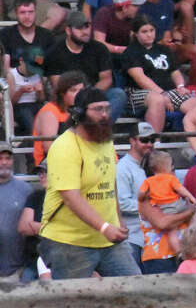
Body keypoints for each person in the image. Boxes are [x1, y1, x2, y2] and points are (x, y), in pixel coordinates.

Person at [38, 86, 139, 279]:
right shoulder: (64, 146)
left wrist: (118, 221)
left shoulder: (105, 141)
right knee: (73, 302)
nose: (104, 115)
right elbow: (70, 197)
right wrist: (104, 227)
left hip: (108, 240)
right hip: (69, 242)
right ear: (80, 113)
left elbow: (110, 183)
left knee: (135, 289)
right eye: (98, 109)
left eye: (107, 109)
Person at [123, 15, 196, 132]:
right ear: (136, 34)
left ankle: (194, 140)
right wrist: (162, 94)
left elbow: (175, 72)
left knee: (195, 104)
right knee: (158, 100)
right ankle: (155, 143)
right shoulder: (131, 52)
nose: (149, 34)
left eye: (151, 30)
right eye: (144, 32)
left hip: (167, 90)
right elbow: (140, 79)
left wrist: (180, 86)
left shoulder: (164, 49)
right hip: (136, 92)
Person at [45, 10, 124, 121]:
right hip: (68, 96)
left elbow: (106, 80)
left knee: (118, 94)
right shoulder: (55, 51)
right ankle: (85, 124)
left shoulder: (99, 48)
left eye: (87, 27)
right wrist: (78, 97)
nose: (85, 31)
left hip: (93, 93)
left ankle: (98, 128)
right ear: (68, 30)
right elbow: (57, 84)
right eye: (79, 28)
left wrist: (88, 96)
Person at [1, 0, 54, 134]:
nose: (27, 16)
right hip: (14, 80)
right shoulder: (6, 35)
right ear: (15, 14)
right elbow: (5, 66)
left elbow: (51, 65)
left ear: (36, 12)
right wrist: (22, 74)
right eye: (23, 12)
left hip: (41, 81)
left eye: (30, 12)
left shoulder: (46, 36)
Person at [32, 72, 84, 166]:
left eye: (81, 91)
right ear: (62, 93)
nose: (78, 94)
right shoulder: (50, 111)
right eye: (73, 90)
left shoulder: (80, 111)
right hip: (48, 164)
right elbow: (49, 147)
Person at [0, 140, 30, 280]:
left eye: (7, 158)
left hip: (16, 271)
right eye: (0, 158)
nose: (4, 162)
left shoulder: (25, 190)